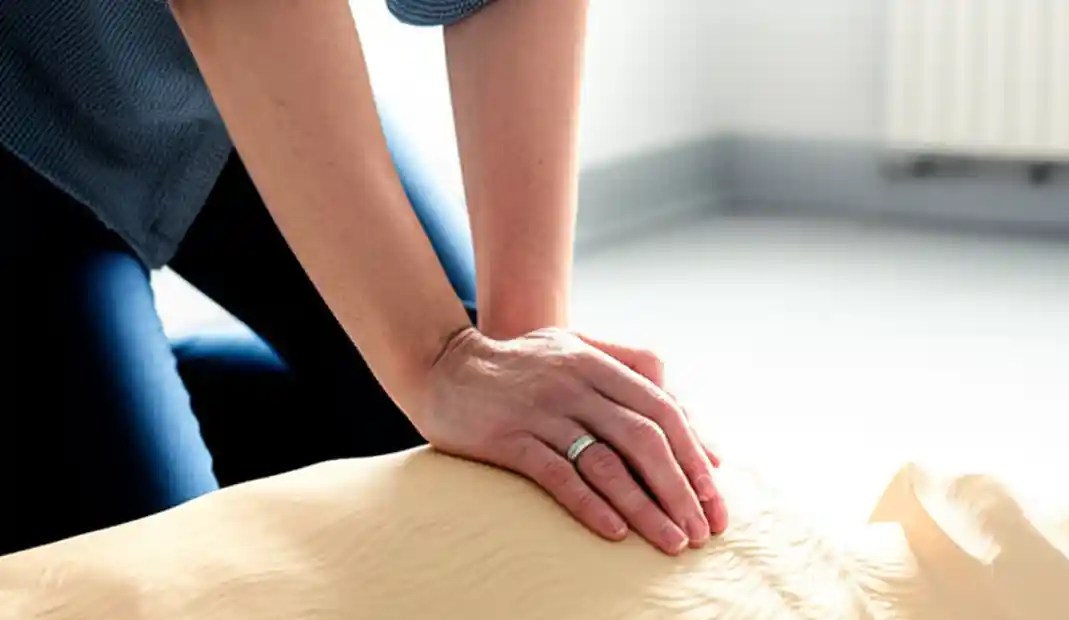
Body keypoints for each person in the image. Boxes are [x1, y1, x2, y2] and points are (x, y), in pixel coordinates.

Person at [0, 0, 727, 557]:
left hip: (206, 89)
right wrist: (436, 360)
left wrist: (524, 343)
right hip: (18, 104)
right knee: (153, 589)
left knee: (490, 474)